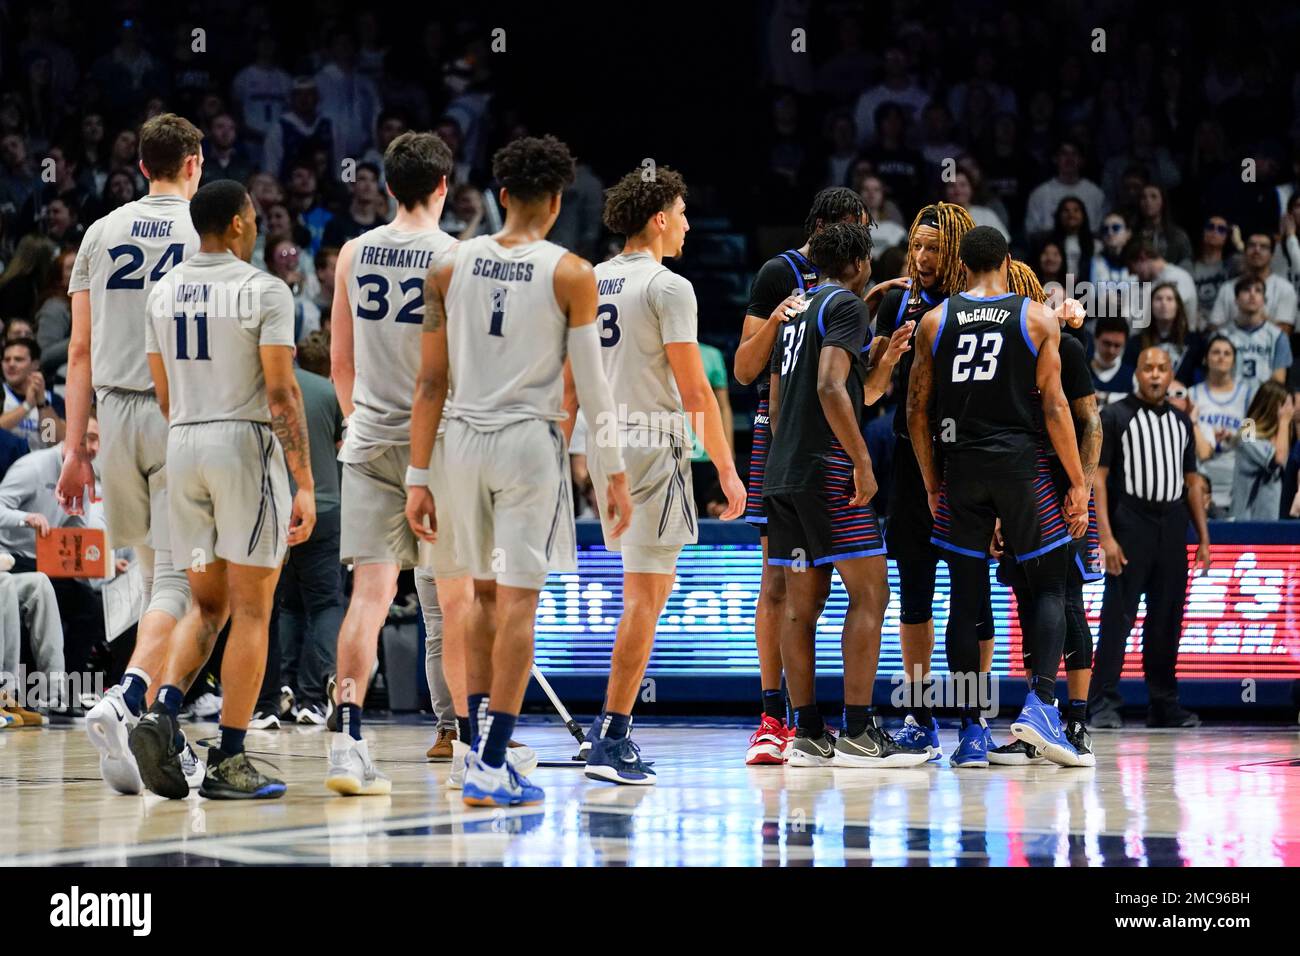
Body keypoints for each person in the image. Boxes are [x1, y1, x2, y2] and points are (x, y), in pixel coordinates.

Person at [415, 135, 632, 807]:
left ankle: (478, 746)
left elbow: (428, 383)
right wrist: (612, 472)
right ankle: (491, 757)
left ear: (501, 195)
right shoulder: (573, 273)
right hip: (527, 446)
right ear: (559, 201)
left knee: (476, 600)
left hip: (457, 443)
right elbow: (591, 387)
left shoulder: (449, 267)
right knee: (517, 604)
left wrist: (417, 474)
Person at [131, 179, 314, 800]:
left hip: (182, 443)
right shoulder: (263, 289)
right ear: (237, 224)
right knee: (254, 610)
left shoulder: (162, 292)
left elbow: (160, 393)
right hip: (244, 445)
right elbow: (283, 393)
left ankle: (162, 711)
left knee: (205, 605)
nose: (258, 224)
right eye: (253, 216)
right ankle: (230, 759)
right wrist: (306, 482)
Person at [574, 166, 746, 785]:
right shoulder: (669, 286)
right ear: (658, 219)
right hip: (655, 444)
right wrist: (726, 467)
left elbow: (572, 378)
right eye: (681, 211)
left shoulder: (589, 279)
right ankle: (612, 736)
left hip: (606, 447)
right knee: (646, 597)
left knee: (640, 594)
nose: (689, 224)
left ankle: (607, 728)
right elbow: (696, 388)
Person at [328, 131, 485, 796]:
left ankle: (346, 743)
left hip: (366, 441)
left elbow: (339, 362)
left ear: (388, 186)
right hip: (441, 446)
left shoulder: (353, 253)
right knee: (455, 602)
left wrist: (363, 418)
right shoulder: (459, 257)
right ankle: (475, 748)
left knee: (368, 598)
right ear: (444, 186)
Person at [57, 113, 203, 797]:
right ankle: (129, 699)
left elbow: (78, 353)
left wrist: (72, 448)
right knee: (181, 585)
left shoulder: (97, 231)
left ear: (142, 165)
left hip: (112, 415)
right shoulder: (209, 233)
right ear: (194, 164)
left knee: (154, 585)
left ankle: (160, 734)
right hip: (181, 412)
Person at [909, 226, 1090, 768]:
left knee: (965, 600)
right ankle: (1040, 702)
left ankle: (969, 734)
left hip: (961, 465)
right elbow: (1057, 408)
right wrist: (1078, 481)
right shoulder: (1035, 317)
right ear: (1009, 263)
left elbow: (917, 410)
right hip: (1021, 464)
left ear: (961, 267)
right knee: (1051, 583)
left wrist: (931, 481)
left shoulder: (934, 321)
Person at [765, 220, 926, 768]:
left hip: (785, 472)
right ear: (858, 264)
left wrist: (881, 366)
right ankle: (859, 730)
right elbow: (830, 387)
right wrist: (861, 462)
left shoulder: (796, 309)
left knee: (801, 606)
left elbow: (810, 394)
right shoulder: (846, 307)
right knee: (871, 593)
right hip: (827, 471)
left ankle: (807, 732)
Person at [731, 186, 866, 765]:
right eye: (855, 228)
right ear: (827, 227)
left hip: (819, 432)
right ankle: (772, 715)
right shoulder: (778, 273)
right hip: (779, 427)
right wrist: (778, 320)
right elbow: (743, 368)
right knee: (777, 582)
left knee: (812, 587)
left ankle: (810, 721)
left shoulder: (845, 295)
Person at [874, 202, 975, 759]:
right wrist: (882, 348)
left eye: (934, 247)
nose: (923, 257)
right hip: (910, 462)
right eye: (916, 246)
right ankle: (919, 713)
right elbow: (870, 386)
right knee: (913, 594)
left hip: (968, 461)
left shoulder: (979, 305)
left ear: (956, 250)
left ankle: (973, 720)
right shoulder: (897, 301)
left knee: (971, 595)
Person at [990, 261, 1101, 767]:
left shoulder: (1068, 347)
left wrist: (1081, 490)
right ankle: (1042, 714)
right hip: (1017, 492)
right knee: (1029, 601)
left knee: (1068, 598)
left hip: (1062, 491)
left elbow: (1091, 425)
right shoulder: (1002, 356)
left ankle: (1076, 720)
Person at [1090, 347, 1210, 729]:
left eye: (1162, 369)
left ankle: (1163, 703)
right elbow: (1099, 478)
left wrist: (1203, 538)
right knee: (1117, 619)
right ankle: (1103, 703)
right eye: (1148, 369)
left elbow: (1192, 481)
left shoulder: (1180, 421)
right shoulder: (1115, 415)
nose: (1155, 375)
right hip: (1131, 523)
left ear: (1171, 373)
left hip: (1172, 525)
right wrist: (1106, 537)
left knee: (1167, 620)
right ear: (1136, 373)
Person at [249, 330, 344, 729]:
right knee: (324, 604)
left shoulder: (253, 392)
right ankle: (312, 697)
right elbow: (344, 447)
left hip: (272, 510)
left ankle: (269, 702)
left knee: (274, 609)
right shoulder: (329, 392)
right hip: (325, 507)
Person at [1189, 336, 1251, 515]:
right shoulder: (1193, 394)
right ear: (1206, 358)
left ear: (1234, 361)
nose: (1221, 357)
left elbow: (1252, 439)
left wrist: (1234, 437)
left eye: (1227, 353)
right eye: (1216, 352)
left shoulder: (1247, 395)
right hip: (1202, 476)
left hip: (1235, 477)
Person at [1230, 381, 1293, 520]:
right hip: (1248, 521)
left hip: (1271, 519)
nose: (1290, 411)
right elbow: (1279, 458)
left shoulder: (1278, 436)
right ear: (1272, 406)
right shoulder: (1247, 431)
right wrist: (1284, 422)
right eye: (1287, 406)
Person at [1208, 233, 1296, 331]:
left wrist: (1256, 315)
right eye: (1251, 245)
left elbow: (1284, 333)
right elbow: (1214, 328)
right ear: (1244, 252)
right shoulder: (1227, 288)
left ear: (1271, 255)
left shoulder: (1285, 289)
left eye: (1263, 247)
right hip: (1230, 344)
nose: (1257, 250)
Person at [1124, 282, 1205, 385]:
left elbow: (1200, 379)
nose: (1164, 303)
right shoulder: (1136, 343)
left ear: (1178, 306)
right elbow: (1129, 378)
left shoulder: (1194, 341)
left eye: (1169, 299)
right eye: (1158, 299)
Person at [1223, 276, 1293, 395]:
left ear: (1264, 300)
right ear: (1236, 299)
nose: (1252, 294)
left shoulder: (1278, 337)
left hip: (1263, 400)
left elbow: (1278, 381)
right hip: (1230, 399)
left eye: (1258, 290)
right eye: (1246, 290)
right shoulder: (1222, 336)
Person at [1024, 141, 1106, 241]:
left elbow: (1102, 231)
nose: (1069, 158)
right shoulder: (1039, 194)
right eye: (1064, 154)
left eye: (1074, 154)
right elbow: (1031, 233)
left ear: (1081, 160)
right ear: (1055, 159)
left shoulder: (1096, 194)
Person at [1, 338, 65, 449]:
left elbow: (52, 441)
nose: (11, 364)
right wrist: (27, 405)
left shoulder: (52, 399)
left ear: (35, 365)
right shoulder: (2, 392)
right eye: (6, 360)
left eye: (18, 359)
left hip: (41, 464)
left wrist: (41, 403)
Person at [1091, 315, 1137, 404]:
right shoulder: (1081, 371)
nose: (1111, 351)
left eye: (1117, 345)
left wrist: (1104, 397)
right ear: (1095, 339)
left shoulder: (1133, 377)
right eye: (1106, 343)